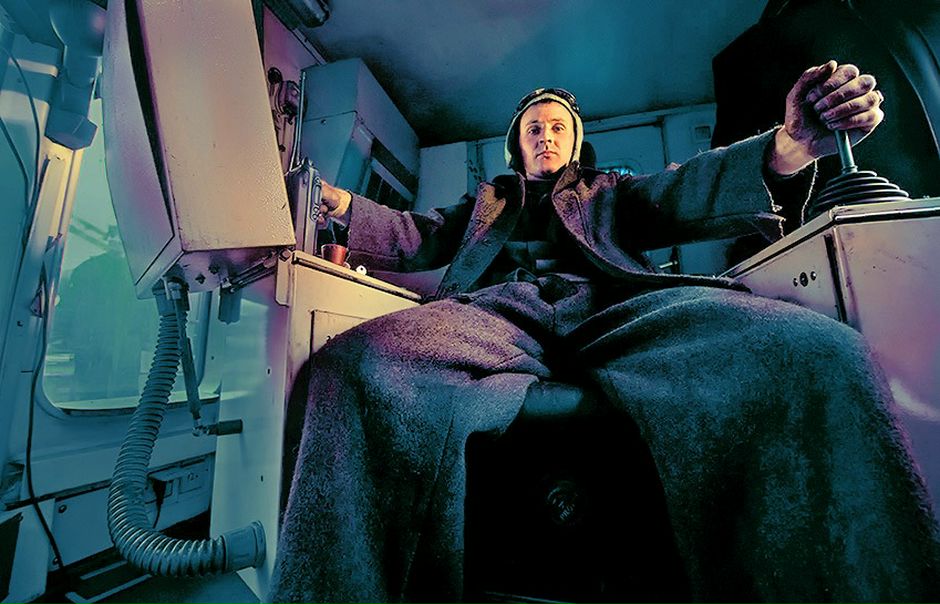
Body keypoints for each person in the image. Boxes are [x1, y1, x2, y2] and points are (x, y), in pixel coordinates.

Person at [269, 62, 940, 602]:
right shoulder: (485, 203)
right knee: (354, 365)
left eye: (558, 127)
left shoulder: (607, 189)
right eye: (534, 128)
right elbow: (417, 234)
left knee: (814, 350)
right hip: (495, 313)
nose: (546, 136)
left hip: (612, 303)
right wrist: (338, 203)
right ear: (516, 145)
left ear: (575, 143)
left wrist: (788, 147)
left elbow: (678, 190)